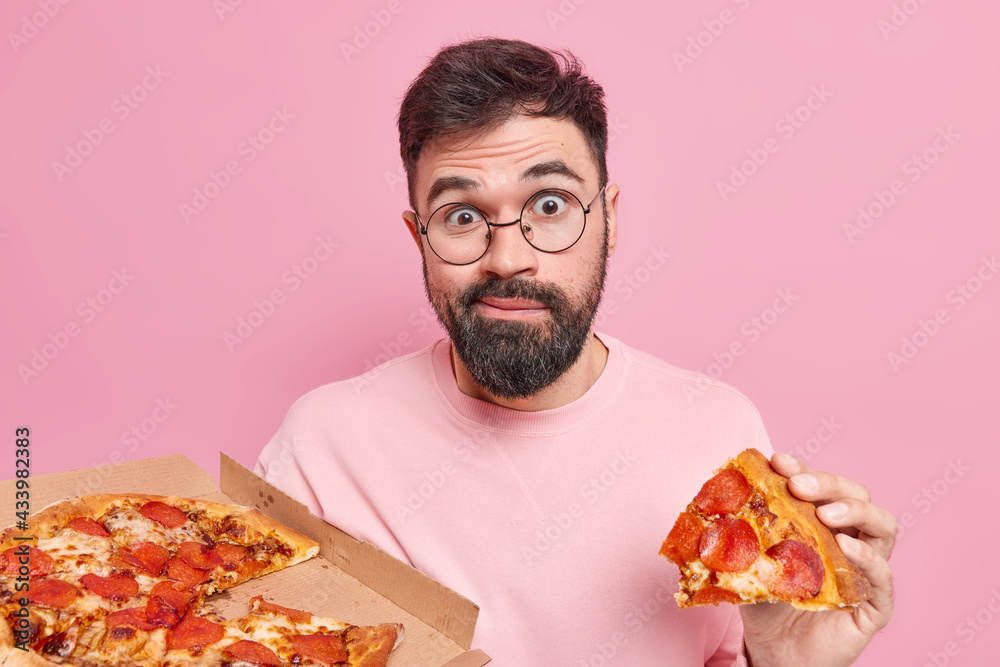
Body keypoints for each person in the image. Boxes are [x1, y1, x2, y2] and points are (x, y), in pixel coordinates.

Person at [255, 38, 896, 665]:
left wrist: (781, 662)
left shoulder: (717, 431)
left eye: (550, 205)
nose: (508, 259)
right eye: (461, 216)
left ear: (609, 220)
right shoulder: (320, 452)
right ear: (418, 237)